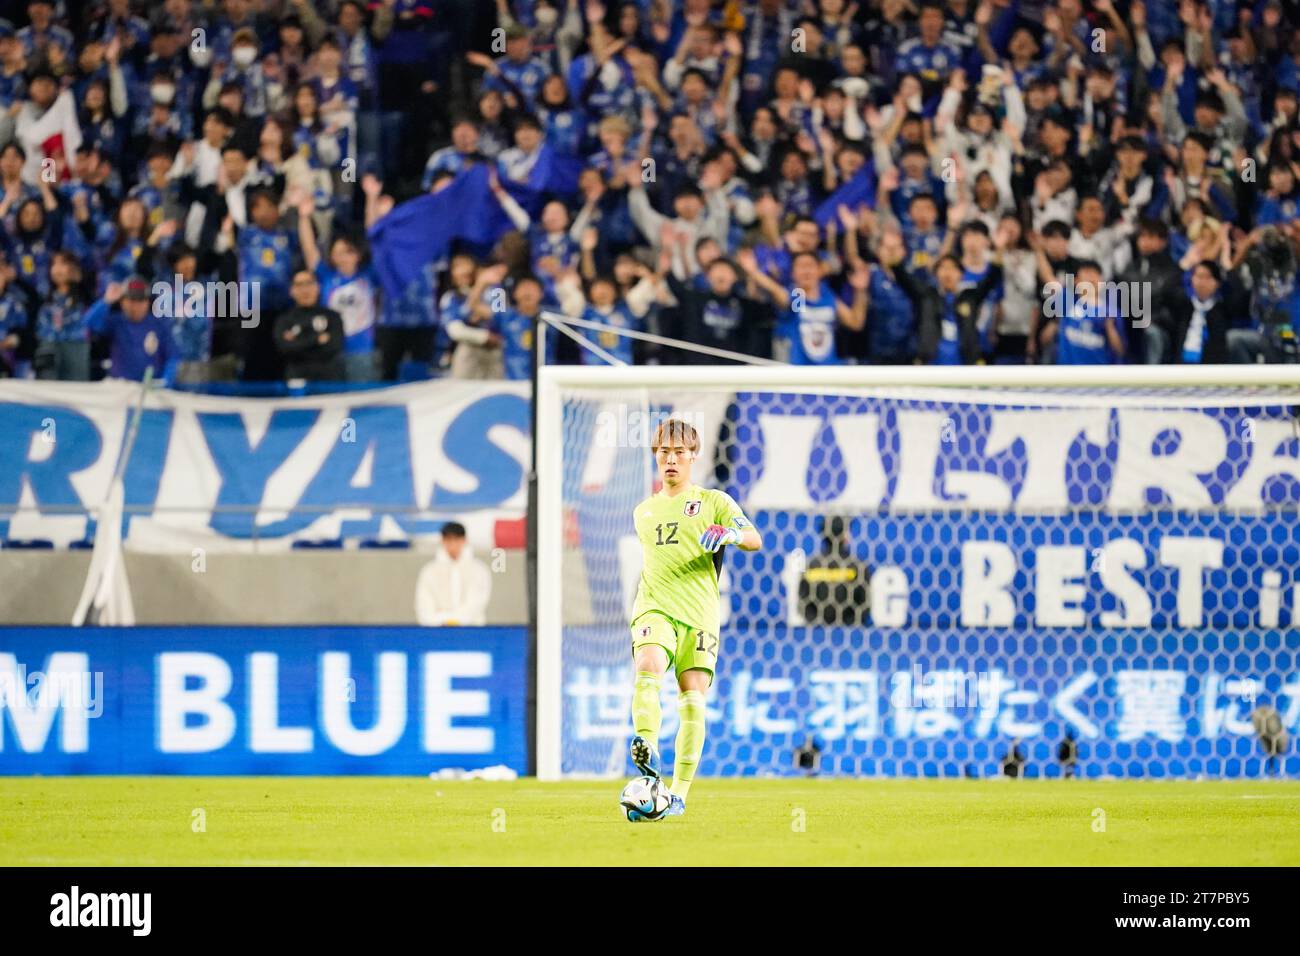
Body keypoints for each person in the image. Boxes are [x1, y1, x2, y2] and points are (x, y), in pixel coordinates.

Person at [626, 418, 763, 820]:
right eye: (663, 452)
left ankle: (679, 793)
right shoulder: (644, 512)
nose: (670, 459)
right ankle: (648, 749)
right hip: (654, 605)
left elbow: (753, 538)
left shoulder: (715, 502)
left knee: (693, 700)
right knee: (648, 664)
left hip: (701, 615)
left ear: (692, 456)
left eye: (679, 452)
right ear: (656, 456)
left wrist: (729, 535)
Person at [414, 521, 491, 626]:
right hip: (437, 632)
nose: (453, 544)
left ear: (464, 540)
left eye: (457, 539)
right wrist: (440, 620)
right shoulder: (429, 571)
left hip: (472, 632)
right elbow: (424, 605)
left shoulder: (479, 569)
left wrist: (458, 620)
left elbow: (476, 603)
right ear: (442, 541)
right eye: (448, 539)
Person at [272, 270, 345, 382]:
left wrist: (298, 342)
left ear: (318, 287)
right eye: (299, 285)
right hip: (297, 381)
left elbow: (334, 347)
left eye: (309, 283)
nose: (305, 290)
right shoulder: (284, 320)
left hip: (329, 382)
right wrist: (317, 339)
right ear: (291, 291)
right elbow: (285, 349)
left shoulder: (333, 317)